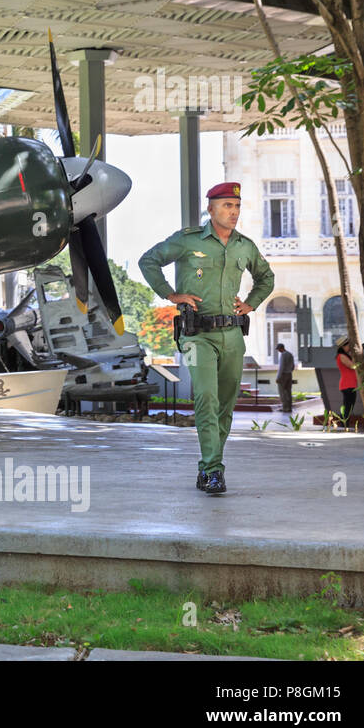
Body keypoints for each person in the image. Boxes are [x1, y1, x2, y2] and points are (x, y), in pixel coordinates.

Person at [138, 182, 274, 496]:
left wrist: (251, 303)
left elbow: (266, 277)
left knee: (226, 405)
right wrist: (170, 294)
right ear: (210, 208)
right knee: (206, 398)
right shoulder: (187, 242)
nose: (233, 212)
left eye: (237, 206)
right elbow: (149, 260)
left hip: (232, 334)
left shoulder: (245, 247)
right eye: (227, 206)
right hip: (196, 335)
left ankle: (206, 468)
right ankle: (215, 471)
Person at [335, 339, 359, 426]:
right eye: (348, 345)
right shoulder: (341, 356)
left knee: (348, 407)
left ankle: (344, 424)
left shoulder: (344, 355)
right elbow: (353, 366)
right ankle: (344, 424)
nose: (349, 347)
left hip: (349, 385)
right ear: (343, 346)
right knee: (348, 407)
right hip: (348, 385)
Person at [275, 343, 295, 413]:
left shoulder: (283, 355)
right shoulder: (290, 354)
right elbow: (293, 366)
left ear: (281, 348)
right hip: (289, 374)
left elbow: (281, 367)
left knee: (282, 392)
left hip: (283, 375)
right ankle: (289, 407)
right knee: (288, 392)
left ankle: (285, 407)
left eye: (278, 349)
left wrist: (278, 377)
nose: (278, 351)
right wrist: (289, 371)